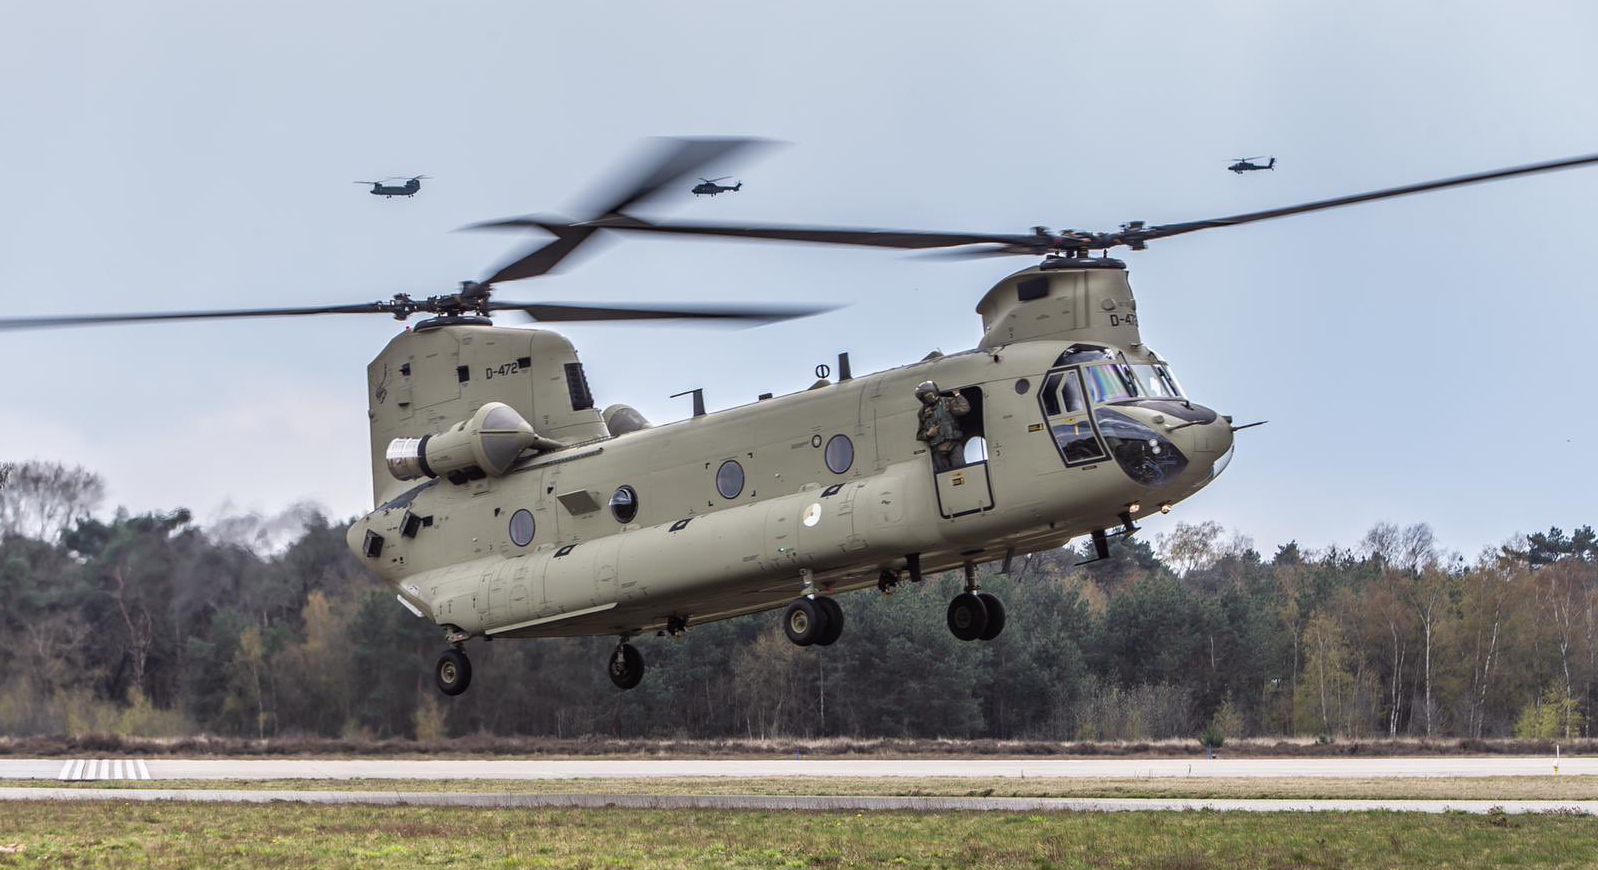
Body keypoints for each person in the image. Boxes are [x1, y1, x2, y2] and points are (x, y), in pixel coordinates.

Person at [915, 380, 970, 471]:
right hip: (938, 450)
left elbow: (964, 409)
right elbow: (919, 435)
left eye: (929, 395)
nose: (928, 398)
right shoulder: (922, 412)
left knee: (962, 471)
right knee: (944, 475)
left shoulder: (948, 401)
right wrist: (928, 434)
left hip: (954, 445)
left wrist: (957, 395)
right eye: (924, 396)